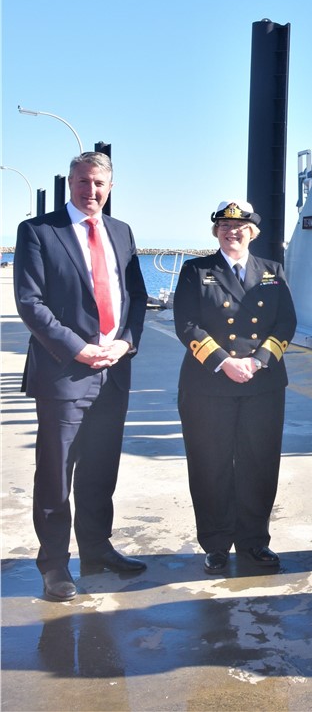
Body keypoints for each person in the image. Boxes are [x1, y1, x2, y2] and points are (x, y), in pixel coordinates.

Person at [14, 151, 148, 601]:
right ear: (70, 183)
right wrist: (79, 348)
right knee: (56, 472)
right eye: (83, 182)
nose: (91, 191)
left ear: (110, 187)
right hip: (64, 372)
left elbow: (136, 297)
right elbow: (30, 302)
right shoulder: (39, 231)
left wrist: (125, 343)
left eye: (99, 183)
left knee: (101, 466)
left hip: (114, 369)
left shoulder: (121, 232)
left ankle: (96, 548)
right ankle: (54, 564)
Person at [174, 200, 297, 575]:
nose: (232, 232)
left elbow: (286, 322)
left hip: (262, 384)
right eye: (225, 226)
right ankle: (215, 544)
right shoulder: (197, 270)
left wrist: (258, 360)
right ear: (216, 232)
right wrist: (223, 362)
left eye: (240, 227)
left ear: (252, 232)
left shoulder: (272, 271)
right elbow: (187, 324)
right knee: (210, 465)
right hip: (208, 384)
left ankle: (254, 542)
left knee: (259, 464)